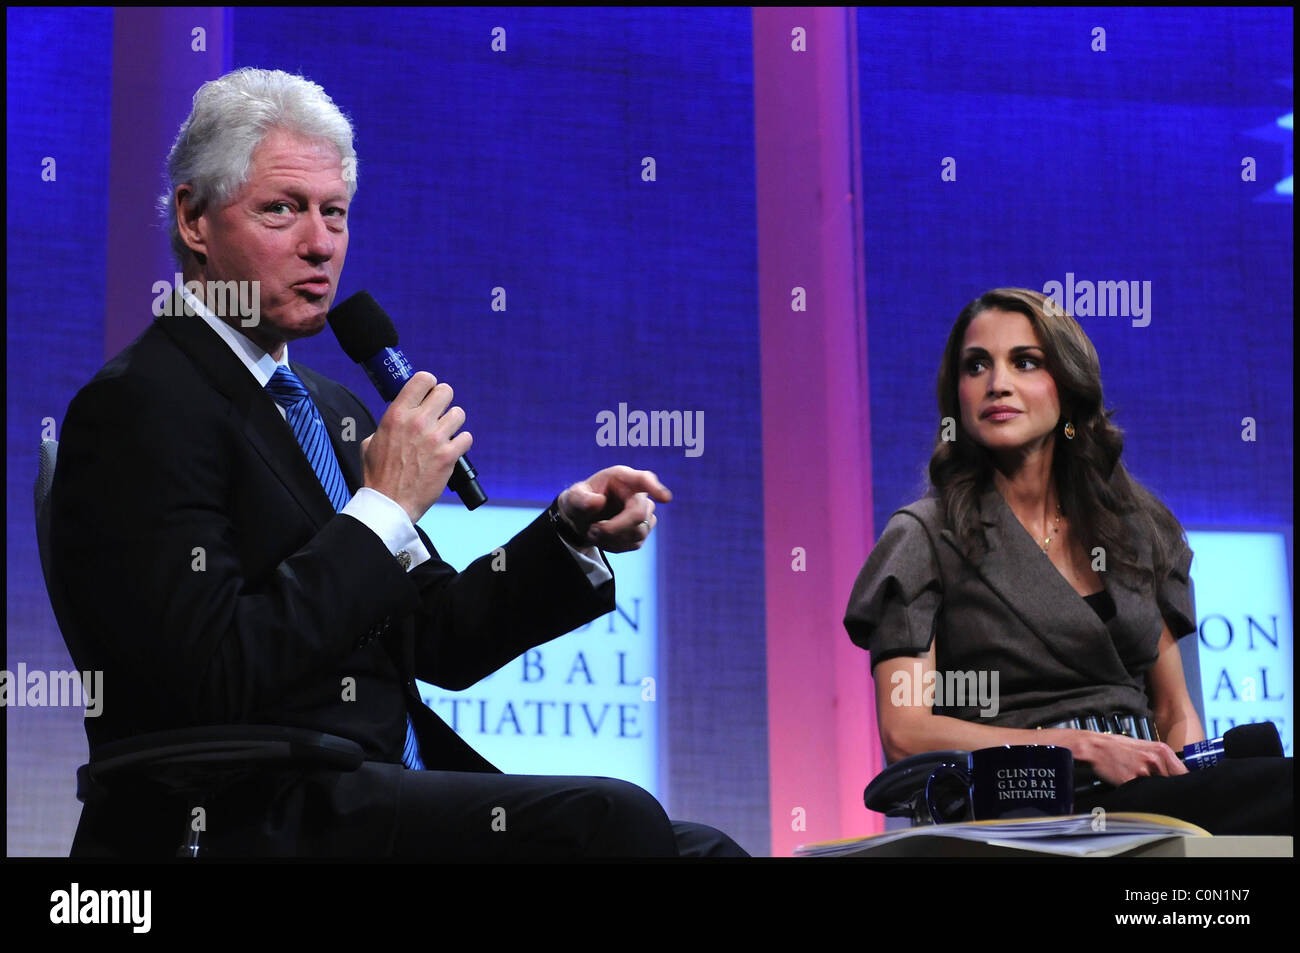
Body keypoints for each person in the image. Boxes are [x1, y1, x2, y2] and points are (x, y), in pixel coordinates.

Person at [50, 67, 744, 858]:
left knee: (704, 850)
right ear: (194, 218)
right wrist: (382, 506)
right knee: (617, 821)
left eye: (335, 213)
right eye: (282, 208)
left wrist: (565, 533)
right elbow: (211, 673)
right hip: (249, 814)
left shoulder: (332, 410)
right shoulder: (139, 405)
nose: (320, 242)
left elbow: (436, 640)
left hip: (374, 794)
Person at [844, 288, 1290, 835]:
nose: (996, 383)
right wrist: (1077, 747)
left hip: (1150, 796)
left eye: (1025, 362)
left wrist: (1194, 821)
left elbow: (1174, 713)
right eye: (976, 365)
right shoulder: (922, 538)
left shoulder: (1138, 528)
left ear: (1070, 388)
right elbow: (906, 730)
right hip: (1031, 801)